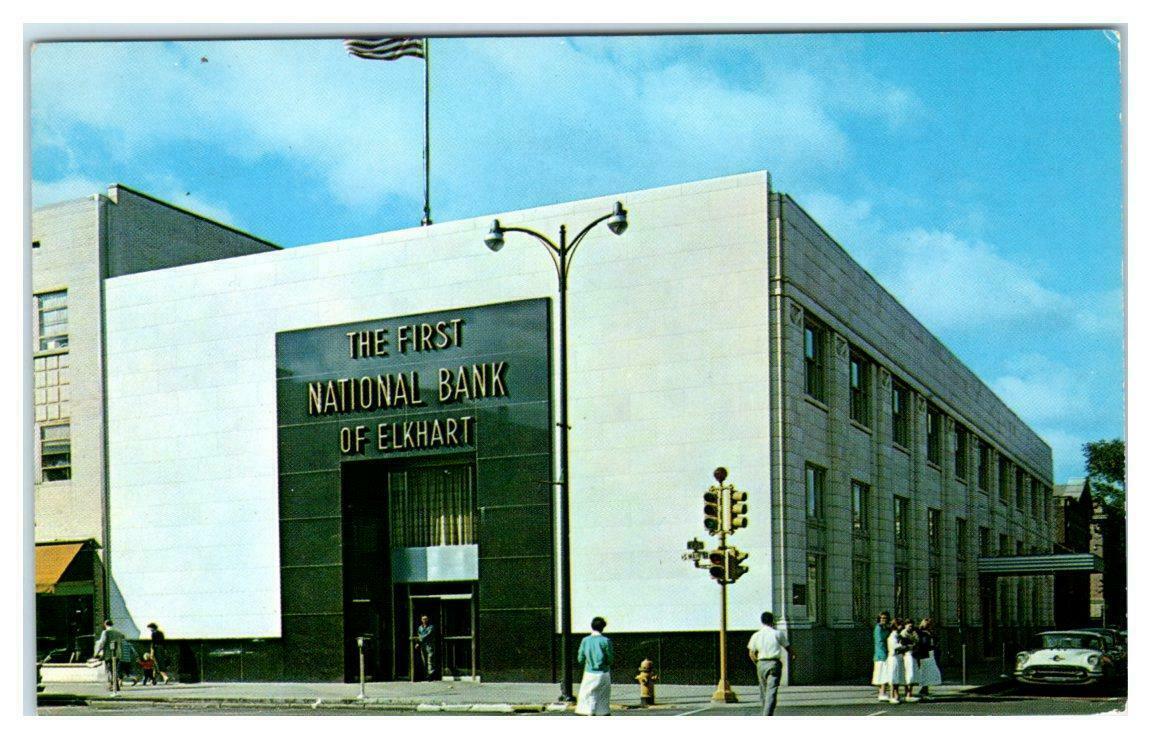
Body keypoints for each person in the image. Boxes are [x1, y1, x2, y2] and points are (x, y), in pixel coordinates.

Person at [747, 611, 792, 716]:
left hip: (761, 664)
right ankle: (767, 714)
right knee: (771, 691)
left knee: (763, 691)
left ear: (762, 621)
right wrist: (793, 655)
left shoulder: (756, 635)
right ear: (772, 621)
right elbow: (787, 647)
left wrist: (757, 663)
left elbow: (751, 653)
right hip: (774, 663)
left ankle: (765, 711)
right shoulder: (777, 634)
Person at [574, 616, 614, 715]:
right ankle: (602, 712)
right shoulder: (606, 640)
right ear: (603, 627)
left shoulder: (585, 640)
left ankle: (589, 711)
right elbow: (610, 658)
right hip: (603, 673)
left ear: (592, 626)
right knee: (603, 696)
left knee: (588, 694)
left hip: (589, 672)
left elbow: (580, 658)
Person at [93, 620, 126, 692]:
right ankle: (116, 685)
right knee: (114, 670)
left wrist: (97, 653)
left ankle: (113, 686)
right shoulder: (118, 633)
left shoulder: (105, 632)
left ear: (105, 624)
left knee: (110, 670)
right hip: (118, 654)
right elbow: (122, 640)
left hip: (109, 654)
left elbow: (102, 643)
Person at [914, 618, 942, 698]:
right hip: (925, 653)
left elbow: (935, 640)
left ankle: (925, 689)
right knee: (925, 671)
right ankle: (924, 689)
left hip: (931, 653)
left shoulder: (931, 633)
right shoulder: (921, 633)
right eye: (927, 624)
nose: (929, 626)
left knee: (930, 671)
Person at [884, 618, 906, 703]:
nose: (902, 626)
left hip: (898, 658)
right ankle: (892, 695)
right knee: (893, 677)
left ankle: (897, 695)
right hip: (893, 658)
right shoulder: (892, 636)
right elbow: (895, 646)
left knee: (897, 677)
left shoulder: (898, 635)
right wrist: (903, 646)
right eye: (900, 624)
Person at [871, 611, 891, 701]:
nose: (884, 620)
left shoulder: (886, 628)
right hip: (881, 654)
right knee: (882, 674)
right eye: (882, 618)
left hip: (885, 653)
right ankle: (882, 693)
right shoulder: (878, 628)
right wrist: (885, 653)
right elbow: (880, 642)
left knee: (885, 674)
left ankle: (883, 692)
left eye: (885, 618)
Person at [900, 619, 921, 701]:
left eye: (911, 626)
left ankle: (909, 693)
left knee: (912, 674)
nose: (910, 627)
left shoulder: (914, 633)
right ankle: (908, 694)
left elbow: (917, 642)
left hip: (912, 655)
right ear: (905, 625)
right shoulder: (903, 634)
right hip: (907, 656)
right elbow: (903, 645)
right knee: (908, 674)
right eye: (909, 625)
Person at [415, 615, 436, 681]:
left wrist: (420, 639)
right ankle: (426, 675)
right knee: (424, 660)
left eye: (426, 619)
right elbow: (419, 635)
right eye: (423, 619)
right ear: (421, 620)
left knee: (430, 660)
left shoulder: (431, 627)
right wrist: (418, 643)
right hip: (423, 645)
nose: (425, 620)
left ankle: (431, 675)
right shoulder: (420, 628)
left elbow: (428, 635)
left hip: (429, 645)